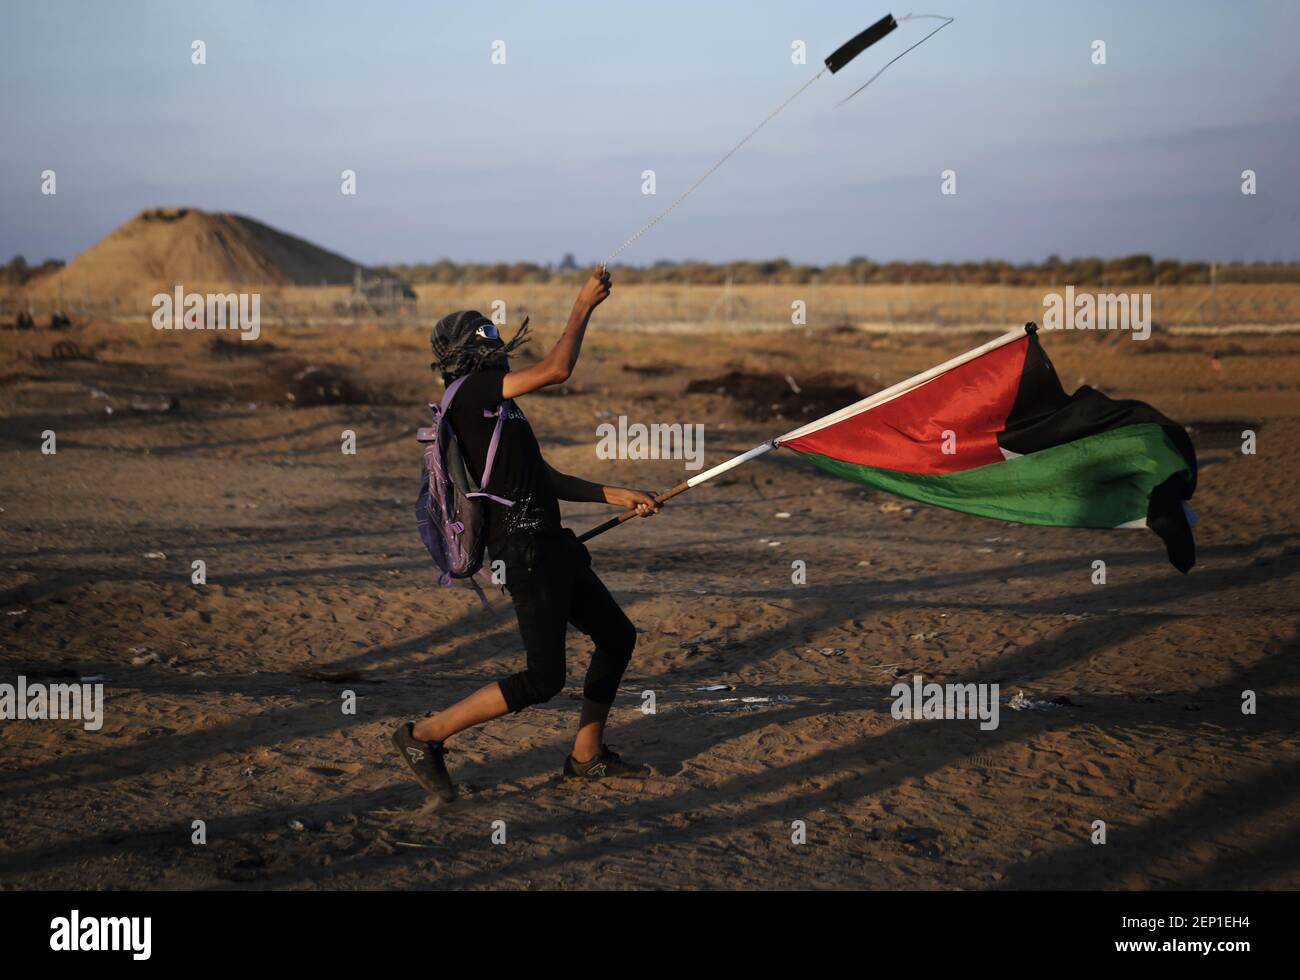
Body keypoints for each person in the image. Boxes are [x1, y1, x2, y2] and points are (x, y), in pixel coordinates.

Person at [393, 266, 660, 804]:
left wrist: (618, 494)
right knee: (544, 679)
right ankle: (423, 736)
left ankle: (586, 759)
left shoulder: (501, 409)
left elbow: (547, 479)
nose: (498, 346)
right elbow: (559, 368)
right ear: (471, 354)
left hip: (554, 546)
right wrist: (583, 305)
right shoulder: (470, 394)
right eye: (488, 340)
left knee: (617, 637)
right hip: (523, 553)